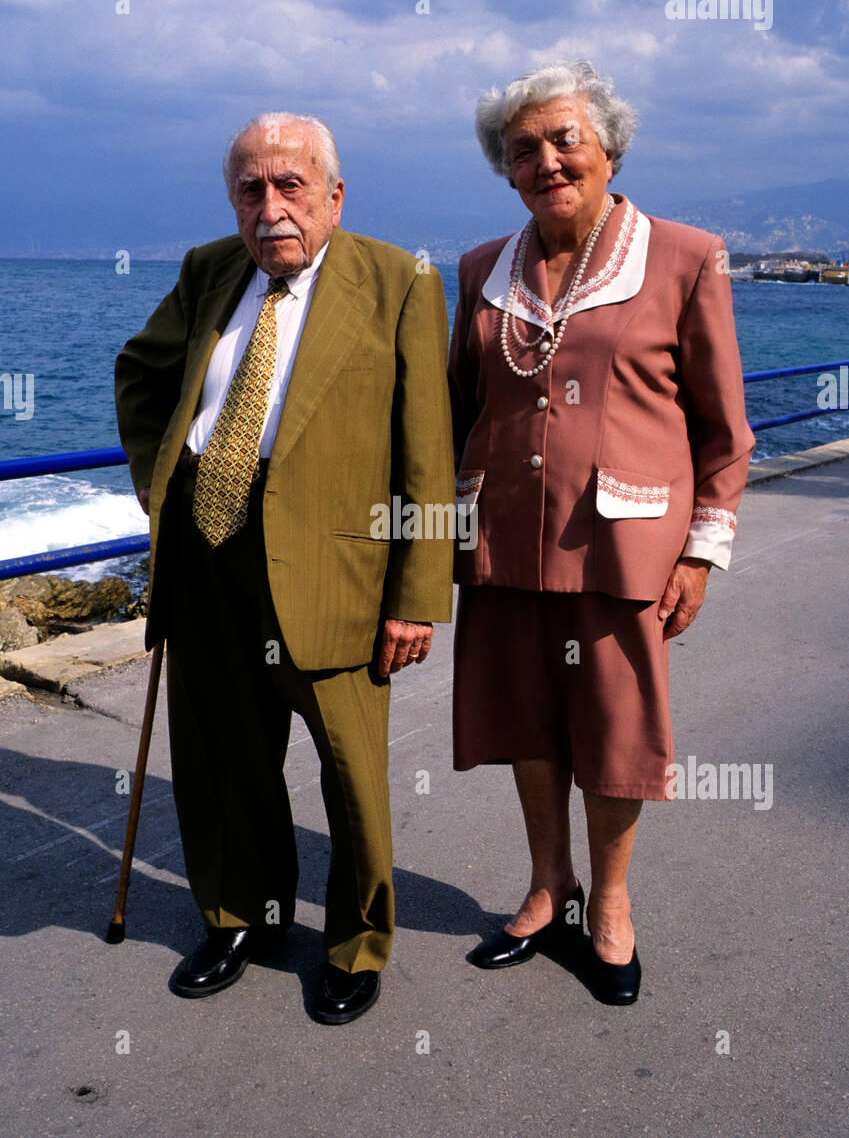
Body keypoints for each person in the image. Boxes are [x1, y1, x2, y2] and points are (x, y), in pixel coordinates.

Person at [115, 112, 454, 1023]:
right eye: (250, 189)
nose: (271, 208)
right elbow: (141, 373)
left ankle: (355, 945)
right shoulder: (207, 270)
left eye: (290, 185)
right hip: (207, 555)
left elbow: (428, 450)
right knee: (224, 758)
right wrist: (163, 488)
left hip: (334, 572)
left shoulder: (402, 282)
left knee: (350, 773)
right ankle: (240, 918)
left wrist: (416, 597)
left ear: (334, 194)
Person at [448, 61, 754, 1004]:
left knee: (615, 731)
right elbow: (459, 410)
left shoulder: (683, 256)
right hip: (502, 546)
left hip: (622, 550)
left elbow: (723, 427)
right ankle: (550, 886)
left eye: (563, 138)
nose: (545, 160)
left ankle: (611, 905)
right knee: (528, 725)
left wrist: (702, 550)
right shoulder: (478, 270)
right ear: (505, 172)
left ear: (608, 147)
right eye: (522, 149)